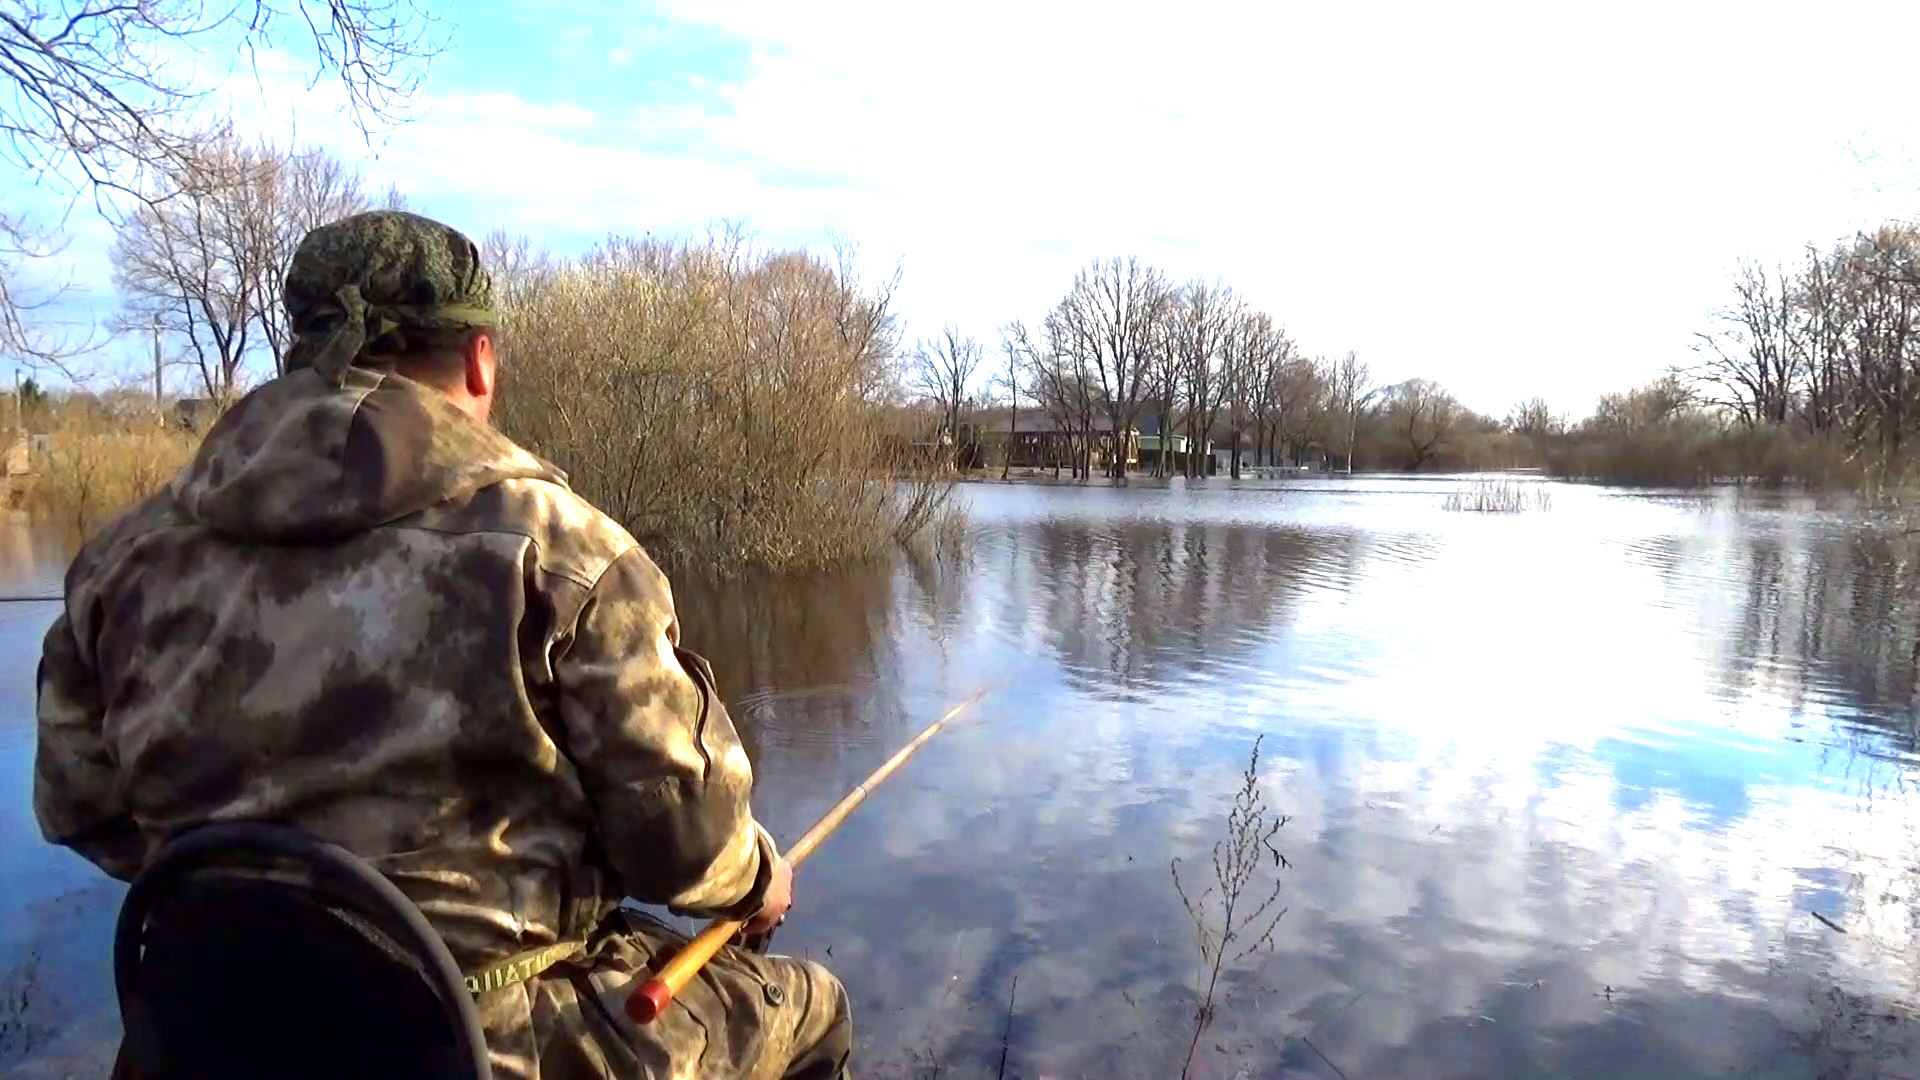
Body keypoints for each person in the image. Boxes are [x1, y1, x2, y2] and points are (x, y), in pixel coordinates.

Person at [32, 210, 852, 1080]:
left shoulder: (118, 563)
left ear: (299, 348)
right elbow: (682, 843)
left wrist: (270, 908)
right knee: (809, 1008)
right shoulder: (562, 554)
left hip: (211, 1036)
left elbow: (78, 807)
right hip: (486, 1044)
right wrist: (760, 880)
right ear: (478, 358)